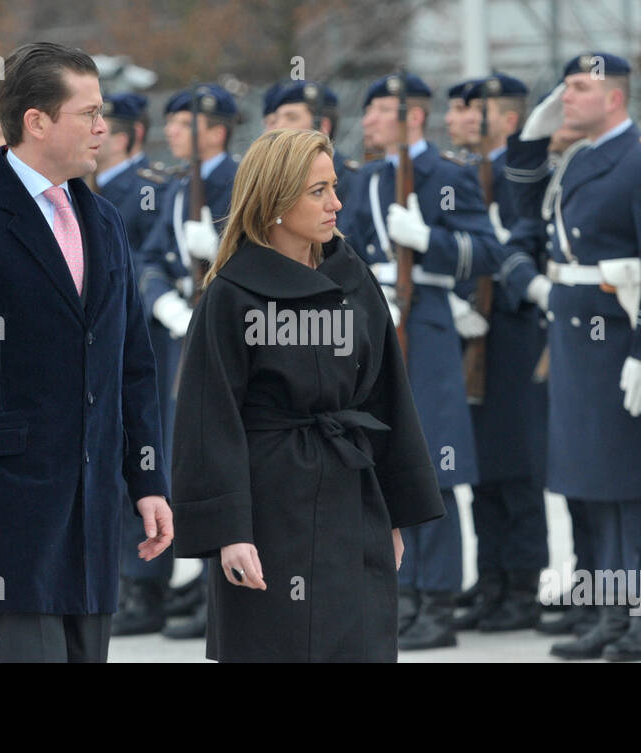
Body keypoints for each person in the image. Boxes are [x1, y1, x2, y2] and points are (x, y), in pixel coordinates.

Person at [0, 42, 172, 663]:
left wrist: (149, 479)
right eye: (89, 113)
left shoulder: (102, 220)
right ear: (37, 121)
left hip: (93, 506)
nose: (104, 127)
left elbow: (131, 365)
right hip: (8, 507)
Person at [170, 127, 445, 661]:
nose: (336, 203)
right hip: (270, 506)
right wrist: (230, 532)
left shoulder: (354, 278)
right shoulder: (231, 294)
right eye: (317, 191)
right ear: (274, 200)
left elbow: (388, 397)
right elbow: (209, 421)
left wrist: (392, 511)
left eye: (334, 186)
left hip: (351, 491)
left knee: (356, 643)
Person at [340, 71, 506, 650]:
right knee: (385, 464)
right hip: (373, 322)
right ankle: (403, 594)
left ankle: (438, 601)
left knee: (435, 465)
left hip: (428, 325)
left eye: (381, 110)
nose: (369, 121)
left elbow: (487, 250)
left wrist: (428, 239)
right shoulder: (364, 180)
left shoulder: (446, 173)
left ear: (412, 117)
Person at [538, 52, 641, 662]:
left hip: (619, 341)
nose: (566, 97)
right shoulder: (580, 158)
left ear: (615, 97)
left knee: (636, 490)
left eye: (578, 88)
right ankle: (611, 612)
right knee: (593, 489)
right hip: (575, 341)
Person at [137, 83, 240, 640]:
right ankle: (202, 588)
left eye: (184, 123)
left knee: (217, 462)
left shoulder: (236, 181)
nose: (172, 132)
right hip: (186, 332)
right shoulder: (180, 187)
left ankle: (221, 595)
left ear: (217, 130)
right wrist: (168, 305)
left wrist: (219, 253)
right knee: (191, 464)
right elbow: (150, 258)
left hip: (224, 337)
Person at [450, 73, 550, 634]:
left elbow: (529, 249)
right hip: (471, 335)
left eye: (472, 110)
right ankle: (490, 578)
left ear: (508, 120)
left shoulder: (521, 175)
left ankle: (523, 584)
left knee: (517, 469)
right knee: (480, 468)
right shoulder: (460, 174)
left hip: (514, 334)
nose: (458, 119)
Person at [95, 91, 178, 636]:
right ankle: (121, 580)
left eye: (104, 127)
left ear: (127, 136)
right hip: (101, 343)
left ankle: (147, 585)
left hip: (147, 338)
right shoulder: (84, 190)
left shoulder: (146, 190)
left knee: (147, 461)